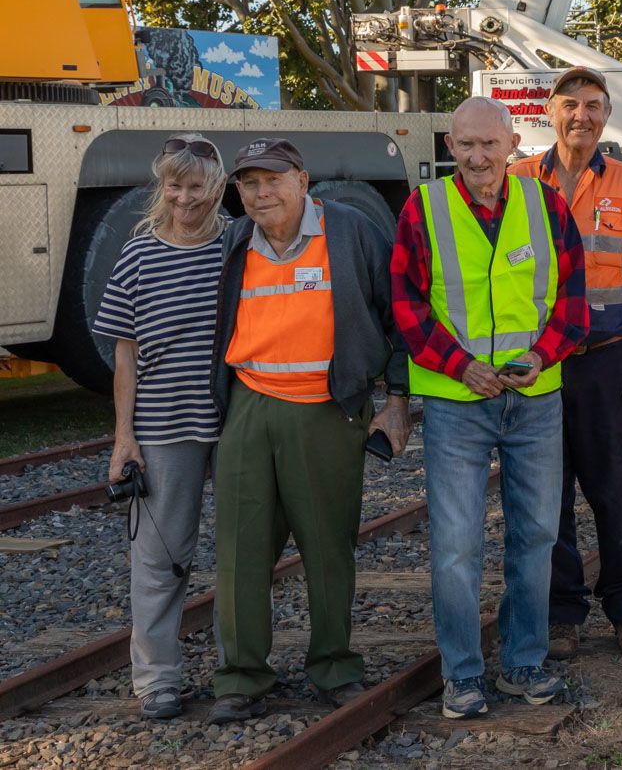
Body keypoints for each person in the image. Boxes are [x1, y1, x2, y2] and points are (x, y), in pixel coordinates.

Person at [391, 97, 588, 720]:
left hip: (534, 398)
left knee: (536, 536)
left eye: (489, 144)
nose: (477, 157)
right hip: (457, 403)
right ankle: (463, 676)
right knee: (455, 544)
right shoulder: (423, 209)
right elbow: (406, 304)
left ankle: (524, 663)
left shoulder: (546, 205)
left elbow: (573, 301)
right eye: (465, 145)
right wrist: (460, 366)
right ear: (449, 146)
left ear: (512, 144)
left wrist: (542, 354)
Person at [209, 138, 411, 723]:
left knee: (327, 546)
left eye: (273, 179)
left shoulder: (348, 231)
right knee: (241, 548)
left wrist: (396, 400)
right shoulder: (234, 240)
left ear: (302, 179)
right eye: (249, 183)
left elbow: (398, 313)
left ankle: (335, 668)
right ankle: (241, 677)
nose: (261, 192)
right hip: (248, 404)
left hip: (327, 407)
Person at [508, 68, 622, 660]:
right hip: (540, 367)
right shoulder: (518, 179)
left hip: (605, 362)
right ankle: (561, 615)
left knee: (616, 489)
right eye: (571, 104)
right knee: (545, 496)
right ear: (549, 111)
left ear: (606, 115)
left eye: (594, 106)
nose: (582, 115)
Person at [92, 135, 230, 720]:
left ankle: (237, 670)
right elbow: (124, 352)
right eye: (174, 185)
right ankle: (156, 681)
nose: (183, 197)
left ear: (216, 186)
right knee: (161, 557)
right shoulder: (139, 253)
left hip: (234, 421)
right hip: (162, 425)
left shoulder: (238, 245)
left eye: (195, 186)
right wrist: (124, 438)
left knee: (239, 554)